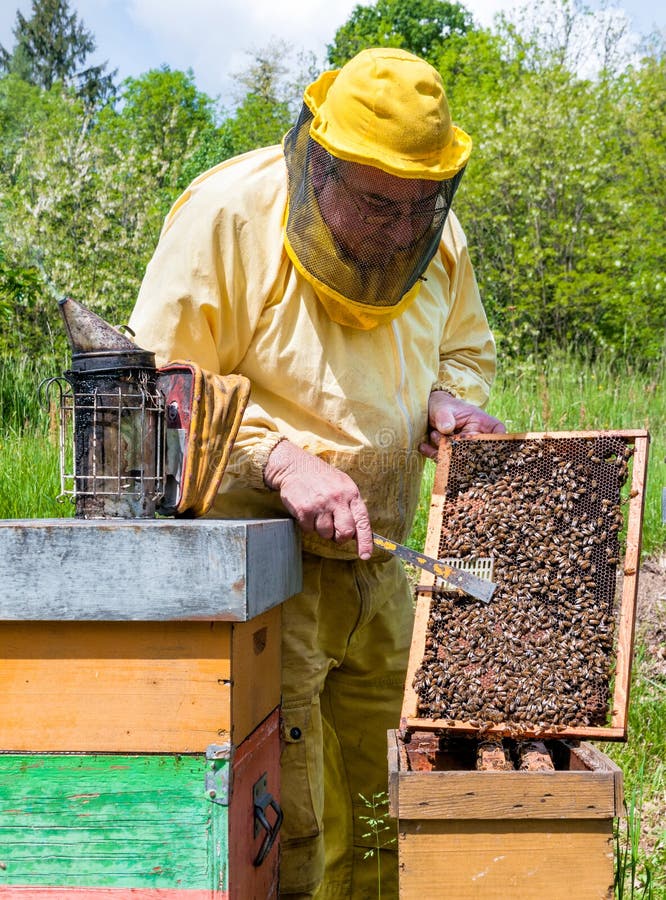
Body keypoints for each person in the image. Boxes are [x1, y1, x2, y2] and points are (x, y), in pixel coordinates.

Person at [130, 46, 505, 899]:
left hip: (386, 567)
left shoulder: (437, 237)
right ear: (320, 163)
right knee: (292, 822)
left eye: (420, 207)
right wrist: (278, 455)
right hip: (266, 571)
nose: (402, 231)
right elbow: (162, 384)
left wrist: (447, 400)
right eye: (379, 205)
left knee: (392, 802)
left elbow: (467, 348)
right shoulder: (228, 214)